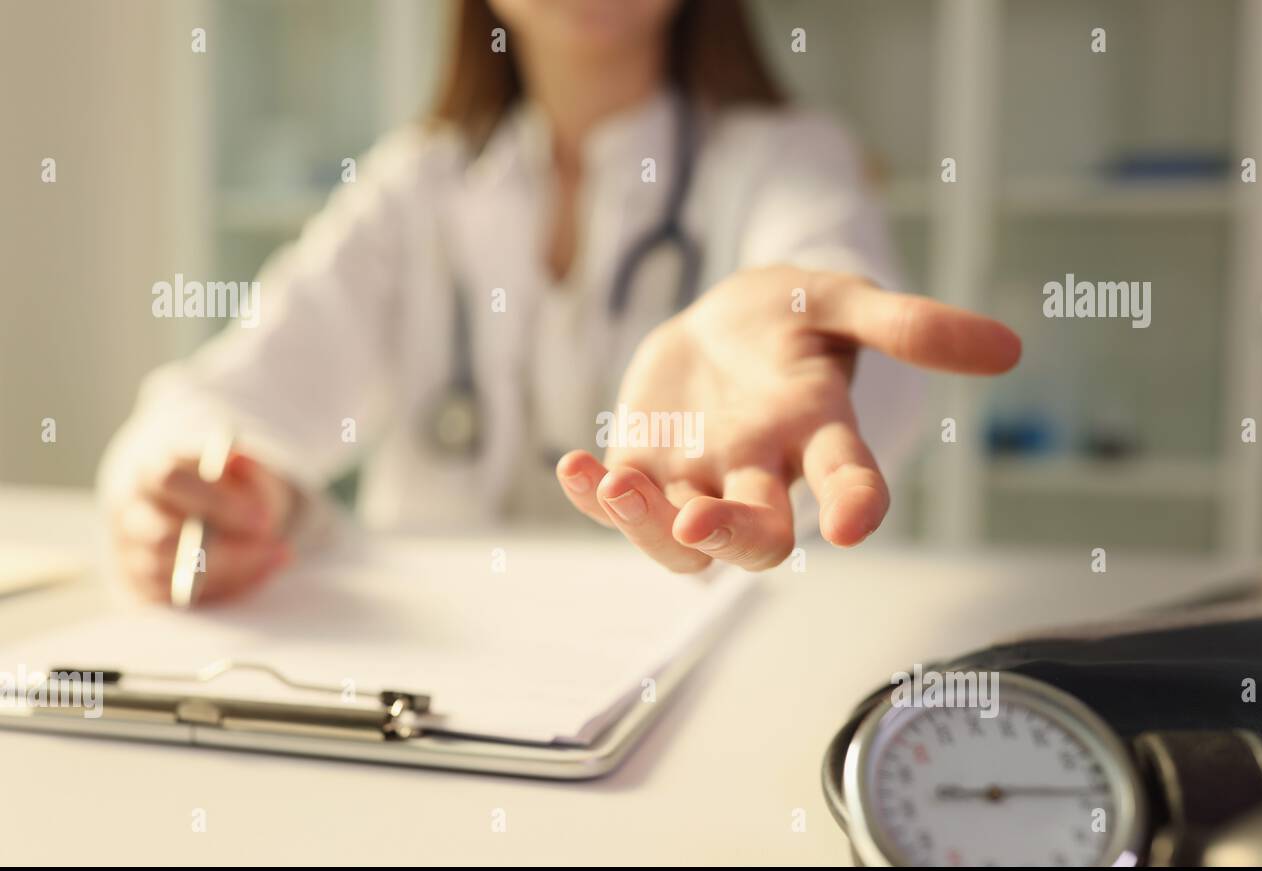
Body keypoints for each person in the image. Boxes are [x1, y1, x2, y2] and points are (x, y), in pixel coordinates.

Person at [100, 0, 1020, 603]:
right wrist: (190, 484)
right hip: (429, 677)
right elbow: (222, 397)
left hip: (698, 673)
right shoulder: (415, 183)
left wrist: (806, 365)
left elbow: (848, 340)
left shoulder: (787, 157)